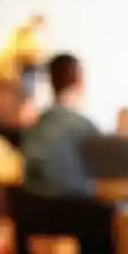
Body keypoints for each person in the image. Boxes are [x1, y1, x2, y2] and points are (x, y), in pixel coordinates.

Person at [21, 53, 101, 197]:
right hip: (79, 210)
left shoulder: (33, 127)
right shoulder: (85, 127)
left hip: (36, 211)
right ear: (79, 79)